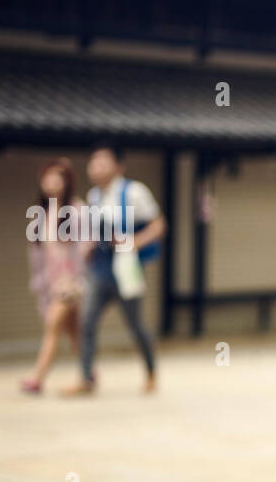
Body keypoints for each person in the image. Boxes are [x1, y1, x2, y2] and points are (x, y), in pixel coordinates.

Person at [64, 143, 167, 395]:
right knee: (87, 323)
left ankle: (151, 372)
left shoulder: (134, 192)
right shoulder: (94, 196)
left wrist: (133, 242)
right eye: (93, 162)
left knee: (135, 324)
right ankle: (86, 378)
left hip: (126, 269)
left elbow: (158, 225)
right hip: (99, 270)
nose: (96, 167)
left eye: (103, 162)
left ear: (118, 166)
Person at [21, 159, 85, 393]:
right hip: (51, 282)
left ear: (67, 181)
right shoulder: (39, 214)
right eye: (47, 177)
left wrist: (79, 278)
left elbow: (84, 248)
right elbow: (36, 254)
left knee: (52, 326)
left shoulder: (78, 210)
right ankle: (89, 373)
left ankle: (37, 378)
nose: (51, 182)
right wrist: (38, 281)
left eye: (57, 177)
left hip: (71, 283)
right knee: (74, 332)